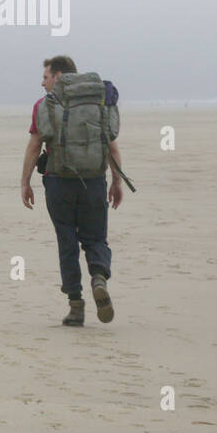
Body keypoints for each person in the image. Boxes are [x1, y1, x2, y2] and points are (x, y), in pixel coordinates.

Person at [21, 56, 125, 326]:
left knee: (66, 242)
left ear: (59, 76)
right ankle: (99, 277)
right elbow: (111, 146)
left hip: (58, 182)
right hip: (93, 181)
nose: (42, 82)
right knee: (96, 238)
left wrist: (25, 182)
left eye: (45, 77)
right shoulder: (98, 103)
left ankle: (76, 306)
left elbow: (34, 147)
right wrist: (116, 180)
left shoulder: (45, 106)